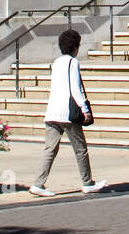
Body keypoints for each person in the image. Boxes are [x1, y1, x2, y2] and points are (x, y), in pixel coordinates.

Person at [29, 29, 107, 196]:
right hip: (67, 113)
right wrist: (85, 109)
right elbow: (75, 89)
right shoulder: (73, 62)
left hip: (52, 112)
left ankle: (38, 183)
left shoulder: (56, 62)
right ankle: (87, 182)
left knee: (49, 149)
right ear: (75, 47)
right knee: (80, 149)